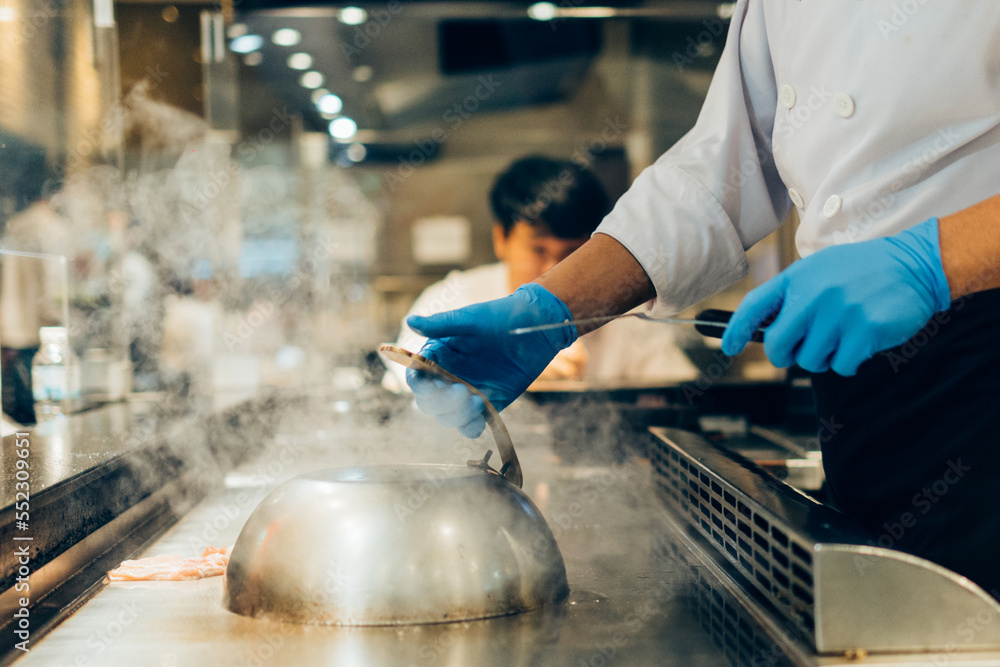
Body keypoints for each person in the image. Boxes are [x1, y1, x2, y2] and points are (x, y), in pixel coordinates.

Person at [404, 4, 1000, 595]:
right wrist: (554, 307)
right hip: (864, 392)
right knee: (894, 626)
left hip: (984, 350)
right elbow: (722, 173)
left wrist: (933, 260)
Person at [383, 155, 697, 391]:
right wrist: (495, 370)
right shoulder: (454, 298)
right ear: (501, 239)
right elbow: (405, 378)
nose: (552, 270)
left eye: (572, 254)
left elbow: (678, 393)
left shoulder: (626, 314)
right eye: (538, 251)